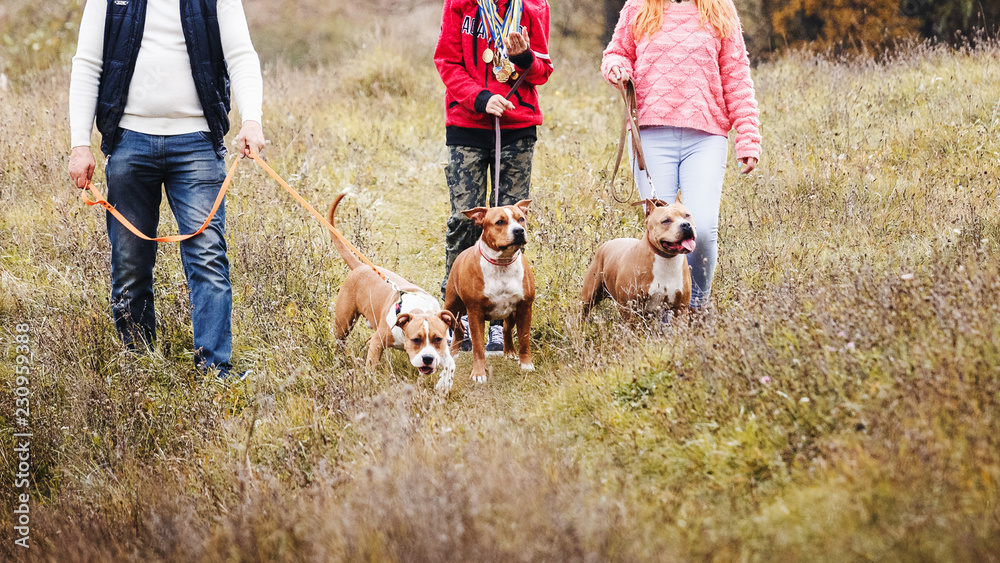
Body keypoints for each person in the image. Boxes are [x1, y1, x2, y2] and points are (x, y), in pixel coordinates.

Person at [68, 0, 265, 380]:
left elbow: (241, 56)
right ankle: (140, 367)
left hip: (197, 143)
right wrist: (80, 144)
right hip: (128, 142)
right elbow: (87, 65)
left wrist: (251, 119)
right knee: (129, 263)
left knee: (208, 258)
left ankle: (215, 374)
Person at [602, 0, 761, 309]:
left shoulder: (719, 8)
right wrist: (617, 68)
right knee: (662, 231)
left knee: (701, 229)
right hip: (650, 134)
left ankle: (696, 307)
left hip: (706, 136)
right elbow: (616, 52)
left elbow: (737, 76)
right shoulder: (639, 6)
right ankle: (661, 310)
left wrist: (748, 137)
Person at [434, 0, 553, 352]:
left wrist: (525, 59)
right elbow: (447, 61)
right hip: (467, 123)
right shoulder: (460, 5)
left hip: (518, 127)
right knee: (464, 221)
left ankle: (501, 320)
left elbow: (543, 71)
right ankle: (453, 318)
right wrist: (480, 97)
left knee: (511, 225)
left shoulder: (534, 6)